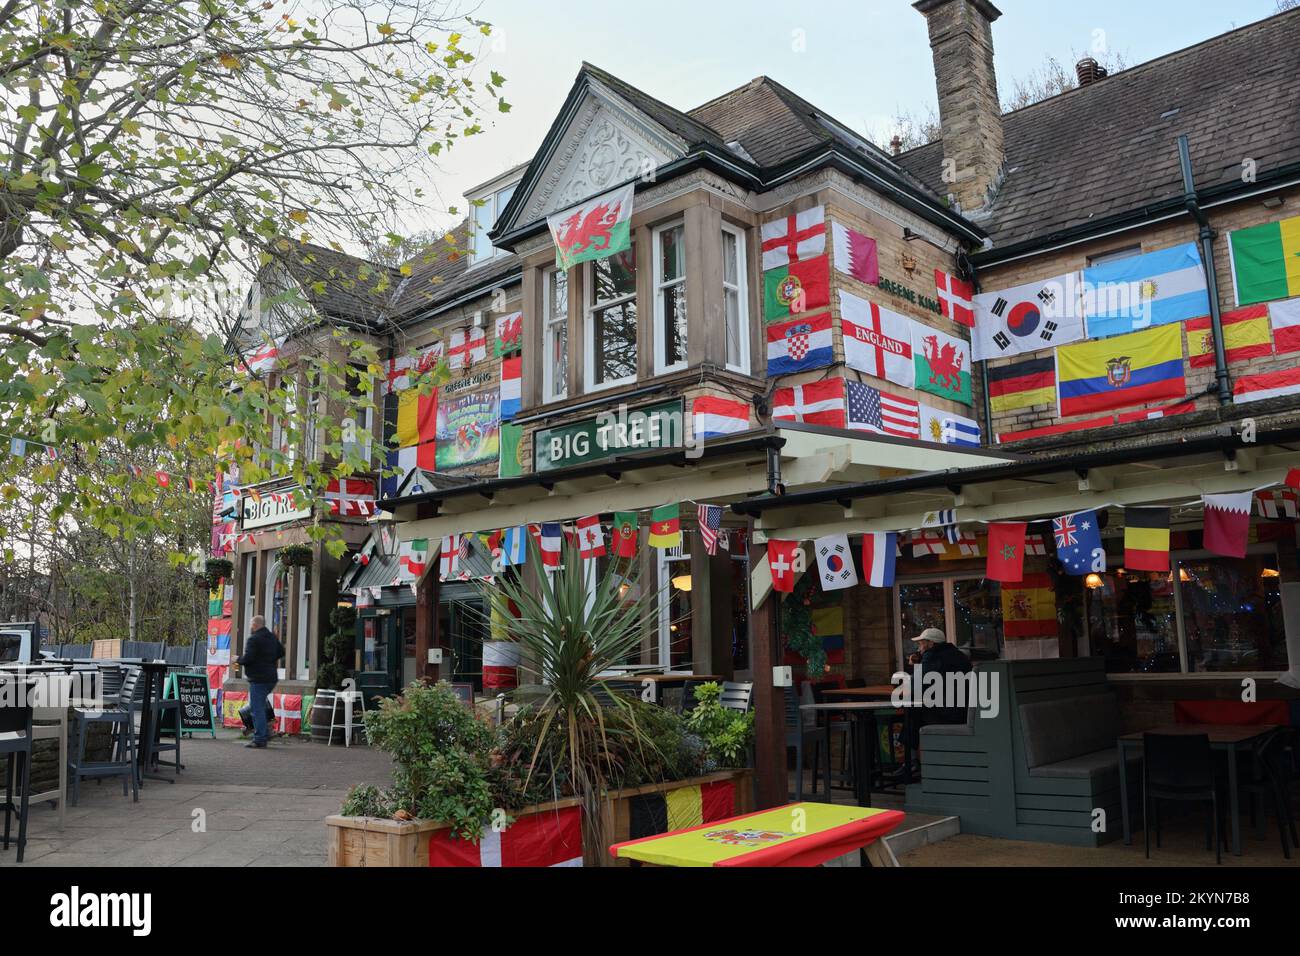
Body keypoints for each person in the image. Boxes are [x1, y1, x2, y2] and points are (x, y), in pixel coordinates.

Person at [237, 614, 284, 749]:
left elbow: (248, 659)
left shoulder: (253, 639)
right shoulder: (271, 638)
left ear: (256, 625)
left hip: (258, 678)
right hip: (271, 678)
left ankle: (260, 738)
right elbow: (281, 651)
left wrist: (238, 659)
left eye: (252, 624)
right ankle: (266, 731)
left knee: (256, 709)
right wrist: (268, 659)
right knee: (259, 706)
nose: (251, 627)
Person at [910, 627, 972, 728]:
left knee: (912, 712)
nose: (919, 648)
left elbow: (915, 686)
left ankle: (906, 743)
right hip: (965, 711)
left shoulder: (932, 656)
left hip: (946, 714)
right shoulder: (959, 655)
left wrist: (917, 667)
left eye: (921, 644)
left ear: (931, 643)